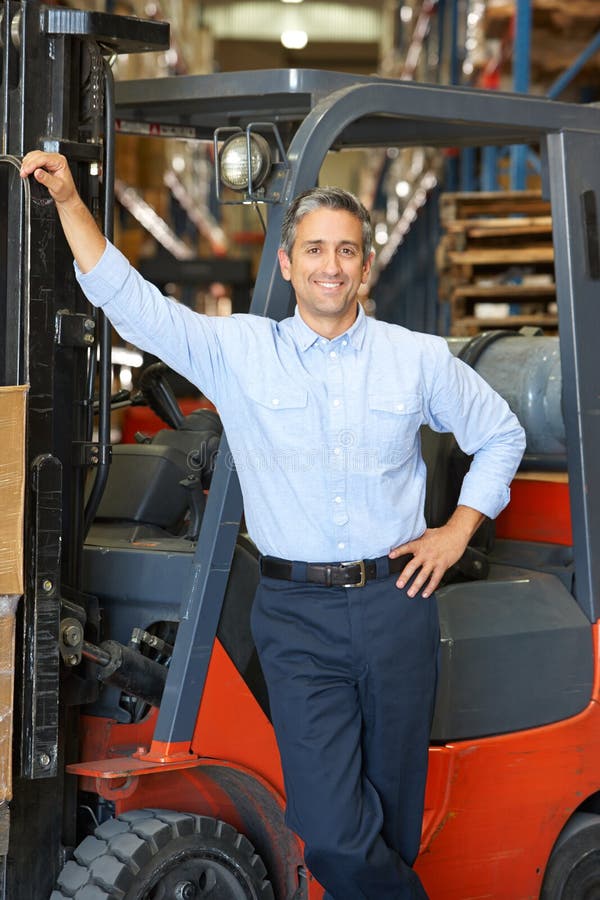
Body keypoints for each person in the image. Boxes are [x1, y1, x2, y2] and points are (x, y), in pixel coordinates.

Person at [20, 151, 526, 900]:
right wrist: (69, 201)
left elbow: (501, 433)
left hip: (397, 605)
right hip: (297, 618)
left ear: (366, 266)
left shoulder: (416, 360)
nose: (331, 265)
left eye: (346, 250)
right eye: (315, 249)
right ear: (287, 264)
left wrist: (456, 532)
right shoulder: (240, 353)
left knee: (390, 822)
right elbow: (134, 306)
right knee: (329, 832)